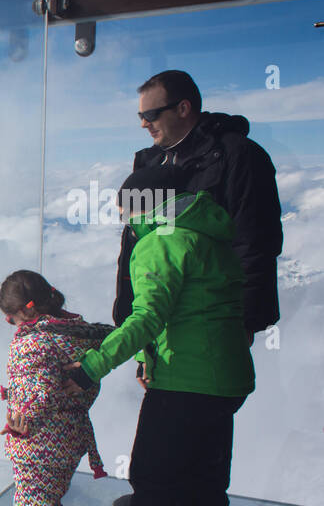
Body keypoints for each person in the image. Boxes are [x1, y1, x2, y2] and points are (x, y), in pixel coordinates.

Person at [68, 165, 255, 506]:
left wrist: (91, 366)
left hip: (184, 384)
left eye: (125, 215)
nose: (125, 226)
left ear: (143, 207)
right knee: (205, 478)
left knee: (152, 481)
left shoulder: (160, 243)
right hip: (225, 381)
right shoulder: (210, 236)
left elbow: (146, 317)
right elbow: (199, 312)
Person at [116, 70, 283, 344]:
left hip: (213, 323)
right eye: (140, 116)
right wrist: (138, 333)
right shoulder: (149, 163)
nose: (144, 124)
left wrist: (243, 323)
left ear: (183, 108)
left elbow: (255, 242)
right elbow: (135, 243)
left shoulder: (239, 156)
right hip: (159, 322)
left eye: (152, 114)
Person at [0, 271, 113, 506]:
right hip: (71, 434)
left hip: (41, 441)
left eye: (11, 317)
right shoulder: (78, 333)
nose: (10, 322)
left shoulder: (34, 342)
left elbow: (39, 391)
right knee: (40, 501)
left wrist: (22, 421)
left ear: (27, 312)